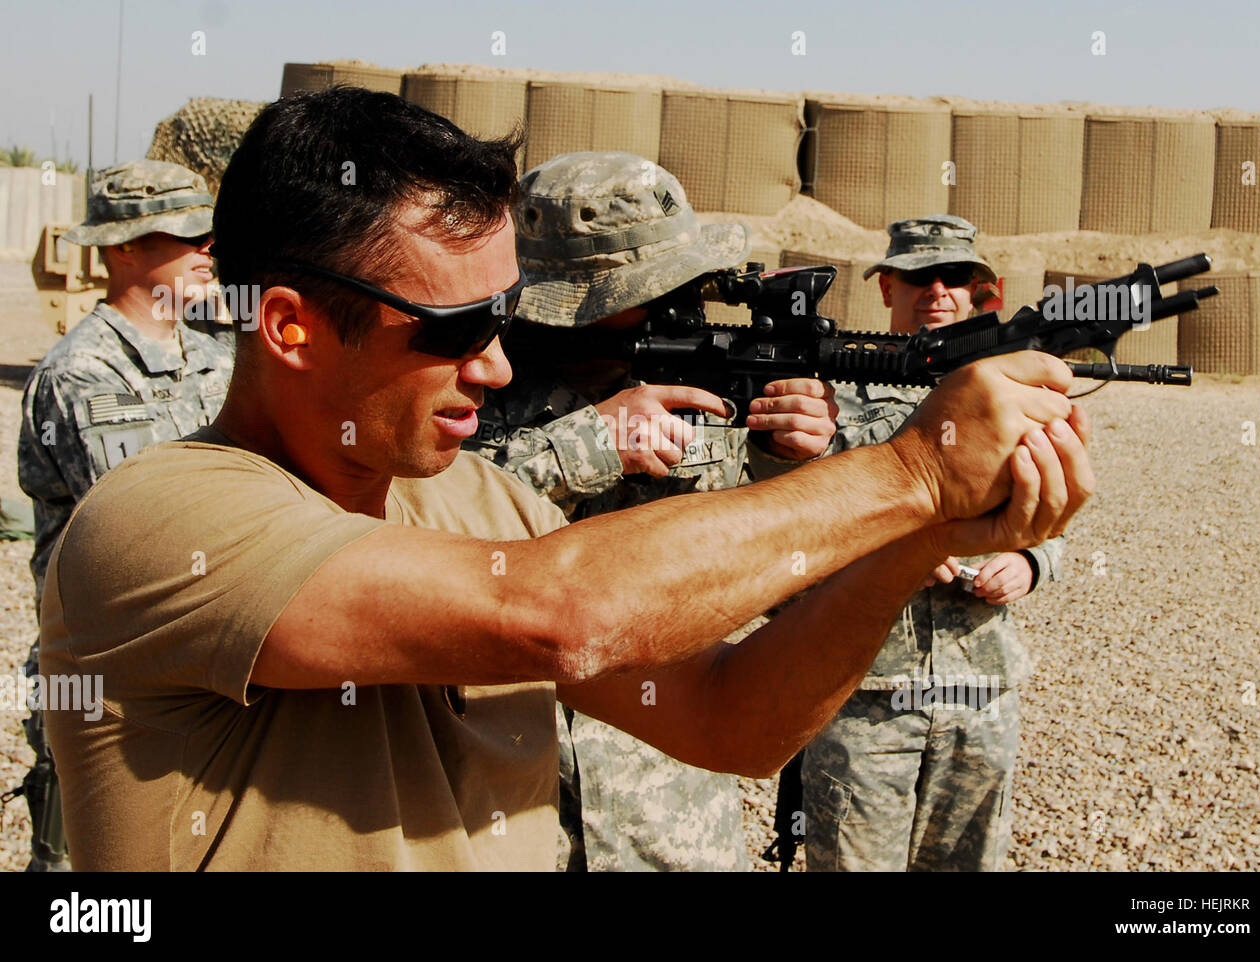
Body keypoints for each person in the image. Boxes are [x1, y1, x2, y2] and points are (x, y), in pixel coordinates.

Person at [39, 89, 1093, 871]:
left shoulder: (485, 503)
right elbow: (560, 612)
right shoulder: (158, 519)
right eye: (453, 328)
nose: (496, 364)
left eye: (504, 321)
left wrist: (922, 533)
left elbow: (732, 720)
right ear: (291, 329)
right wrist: (909, 470)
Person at [463, 151, 839, 871]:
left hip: (670, 816)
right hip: (503, 809)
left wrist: (786, 466)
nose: (686, 302)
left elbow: (781, 599)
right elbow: (412, 529)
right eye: (659, 289)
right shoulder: (467, 384)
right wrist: (583, 447)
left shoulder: (704, 383)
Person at [802, 214, 1066, 872]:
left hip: (978, 689)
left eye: (956, 278)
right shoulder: (828, 401)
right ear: (888, 286)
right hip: (863, 695)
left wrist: (1028, 563)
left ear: (980, 293)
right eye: (920, 277)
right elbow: (795, 532)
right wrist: (888, 557)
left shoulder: (1012, 402)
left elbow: (1054, 520)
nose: (938, 291)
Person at [13, 159, 232, 871]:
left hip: (196, 662)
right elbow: (148, 530)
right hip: (109, 679)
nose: (206, 250)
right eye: (184, 235)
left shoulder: (213, 354)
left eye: (209, 235)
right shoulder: (85, 373)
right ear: (123, 249)